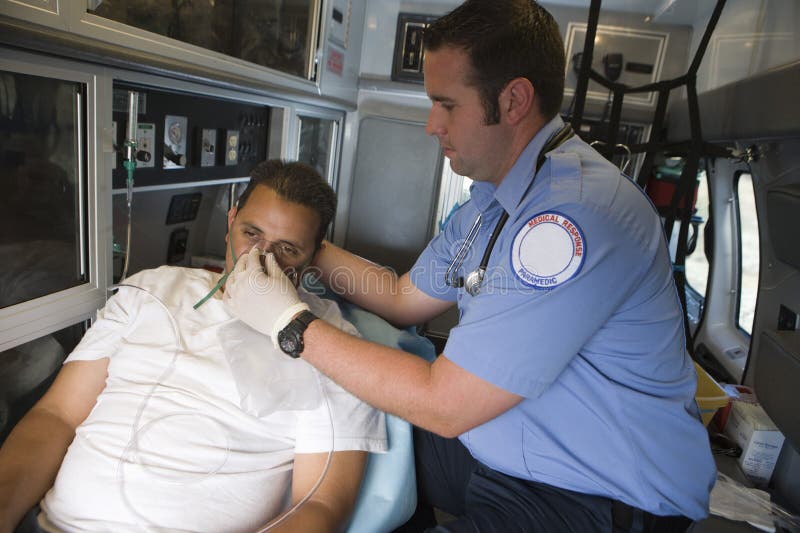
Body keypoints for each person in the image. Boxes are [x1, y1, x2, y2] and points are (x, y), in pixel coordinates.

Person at [223, 1, 717, 532]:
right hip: (504, 445)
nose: (432, 125)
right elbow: (401, 295)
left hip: (587, 491)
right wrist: (296, 246)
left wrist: (289, 324)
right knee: (352, 440)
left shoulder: (568, 221)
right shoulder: (491, 200)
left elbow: (444, 406)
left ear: (513, 100)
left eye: (446, 104)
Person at [0, 160, 387, 533]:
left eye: (287, 249)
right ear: (230, 222)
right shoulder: (151, 289)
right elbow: (58, 415)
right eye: (251, 234)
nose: (260, 259)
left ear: (314, 257)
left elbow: (320, 505)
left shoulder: (333, 347)